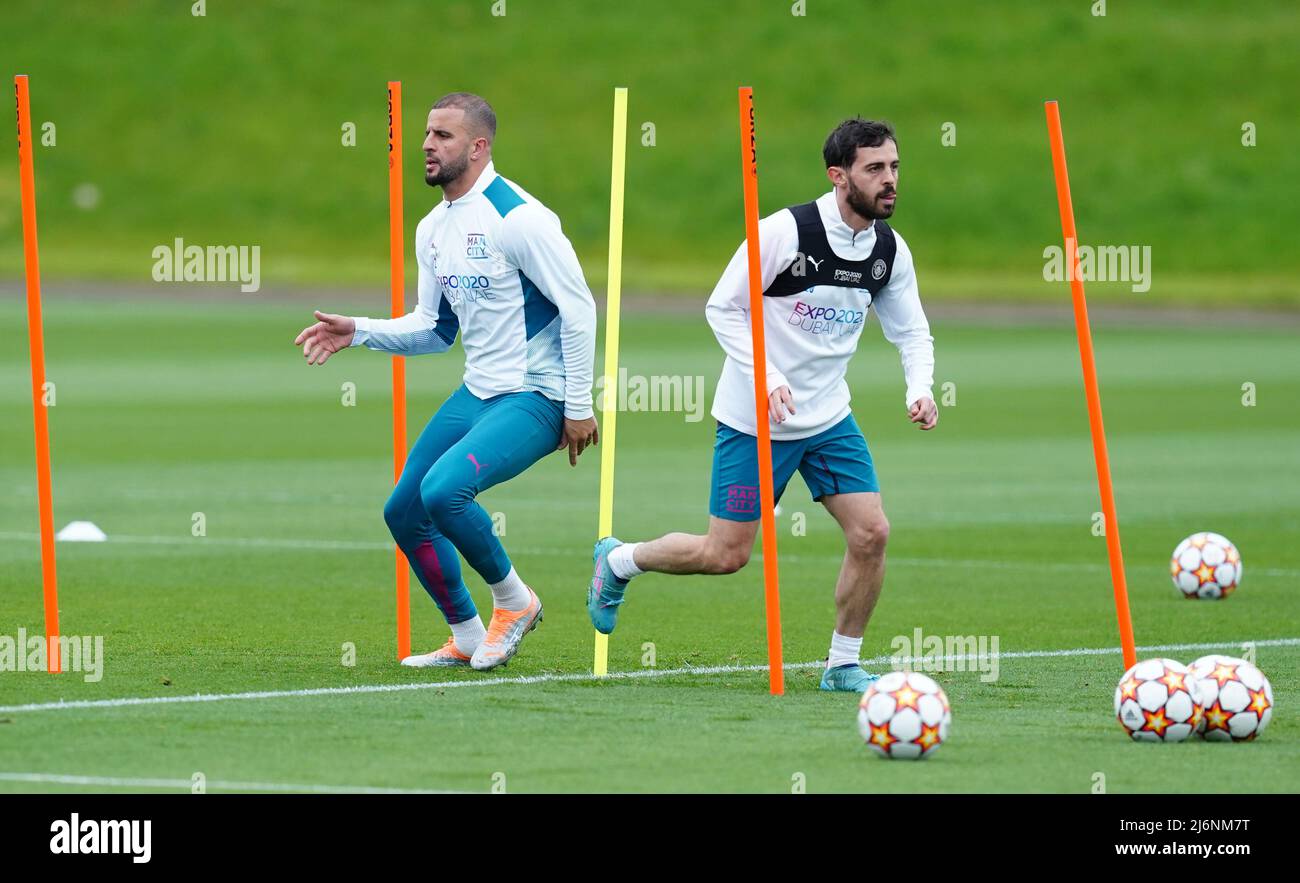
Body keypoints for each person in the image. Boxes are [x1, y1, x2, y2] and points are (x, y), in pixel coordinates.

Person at [586, 118, 936, 691]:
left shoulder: (889, 251)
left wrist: (919, 387)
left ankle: (843, 663)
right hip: (755, 418)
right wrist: (767, 377)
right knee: (725, 554)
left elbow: (912, 331)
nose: (889, 180)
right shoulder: (786, 232)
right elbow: (722, 307)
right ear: (839, 175)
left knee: (872, 533)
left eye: (894, 167)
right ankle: (620, 560)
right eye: (875, 169)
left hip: (828, 419)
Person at [295, 92, 598, 671]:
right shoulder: (432, 227)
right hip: (478, 391)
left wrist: (578, 405)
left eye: (444, 136)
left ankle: (516, 602)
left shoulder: (520, 219)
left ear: (479, 147)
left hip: (537, 393)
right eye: (428, 134)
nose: (428, 145)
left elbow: (579, 309)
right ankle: (464, 634)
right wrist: (357, 330)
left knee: (444, 491)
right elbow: (435, 329)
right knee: (405, 510)